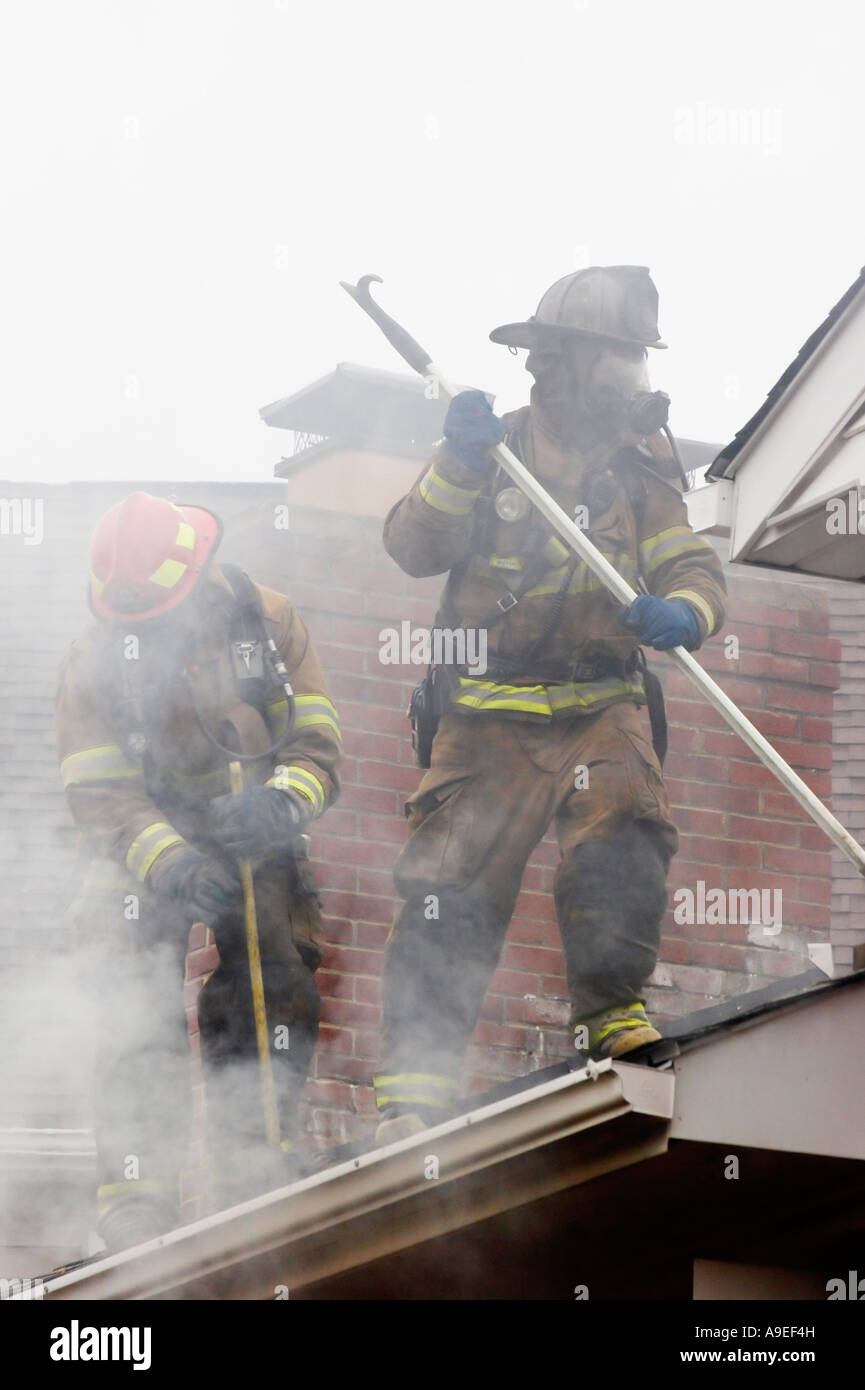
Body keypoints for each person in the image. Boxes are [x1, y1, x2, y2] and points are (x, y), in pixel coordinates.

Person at [374, 266, 727, 1143]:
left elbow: (691, 566)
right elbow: (413, 547)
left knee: (621, 829)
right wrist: (457, 465)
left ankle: (610, 1017)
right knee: (446, 890)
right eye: (607, 365)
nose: (622, 385)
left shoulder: (641, 475)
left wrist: (685, 612)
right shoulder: (493, 449)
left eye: (629, 367)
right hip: (486, 716)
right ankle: (415, 1085)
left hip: (596, 708)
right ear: (559, 366)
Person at [56, 491, 340, 1249]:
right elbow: (97, 792)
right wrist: (171, 862)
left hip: (252, 824)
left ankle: (255, 1168)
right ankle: (137, 1197)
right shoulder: (92, 656)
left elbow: (316, 747)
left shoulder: (266, 621)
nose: (143, 635)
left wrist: (281, 805)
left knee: (269, 972)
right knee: (125, 986)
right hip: (142, 842)